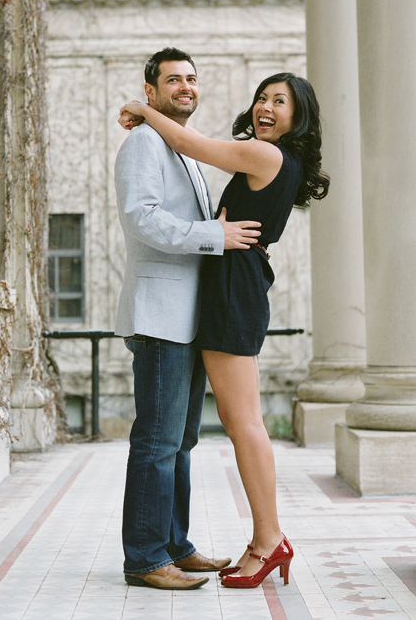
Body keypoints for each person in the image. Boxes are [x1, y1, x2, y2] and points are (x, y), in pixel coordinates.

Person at [119, 71, 330, 589]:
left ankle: (268, 540)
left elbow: (193, 143)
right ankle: (260, 539)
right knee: (237, 425)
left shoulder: (267, 155)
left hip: (234, 286)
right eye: (262, 97)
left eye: (280, 101)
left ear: (298, 116)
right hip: (231, 281)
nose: (266, 106)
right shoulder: (274, 156)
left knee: (244, 425)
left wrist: (144, 111)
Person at [114, 47, 263, 591]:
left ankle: (175, 545)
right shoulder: (143, 144)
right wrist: (214, 235)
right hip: (159, 318)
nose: (186, 87)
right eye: (173, 79)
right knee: (156, 441)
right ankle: (146, 558)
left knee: (181, 442)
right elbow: (142, 220)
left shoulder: (184, 150)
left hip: (191, 317)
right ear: (150, 92)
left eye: (192, 79)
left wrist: (217, 225)